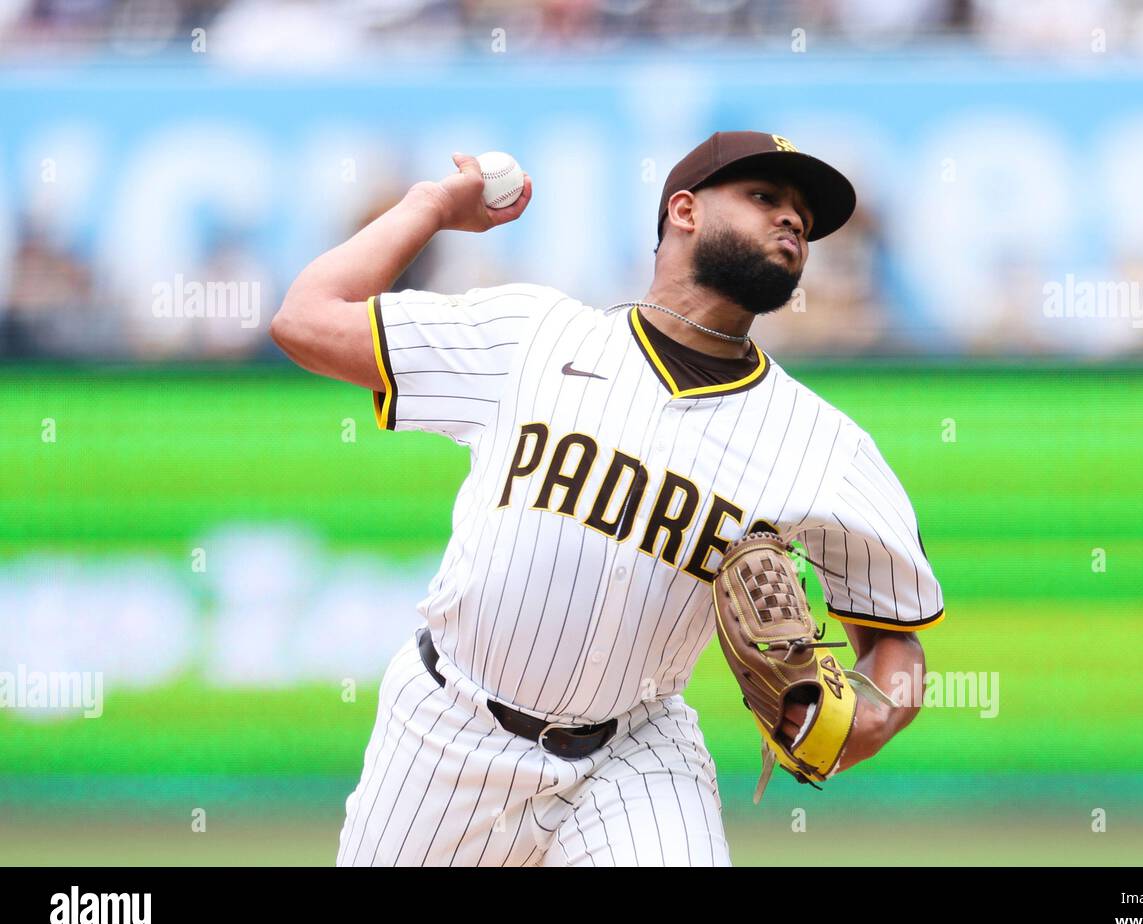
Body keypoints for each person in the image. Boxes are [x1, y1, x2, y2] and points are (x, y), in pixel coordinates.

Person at [270, 130, 945, 867]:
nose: (792, 221)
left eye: (804, 219)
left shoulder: (823, 444)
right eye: (764, 197)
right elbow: (305, 320)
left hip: (636, 755)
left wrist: (869, 718)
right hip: (445, 730)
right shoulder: (531, 335)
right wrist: (430, 206)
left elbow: (897, 644)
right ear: (684, 211)